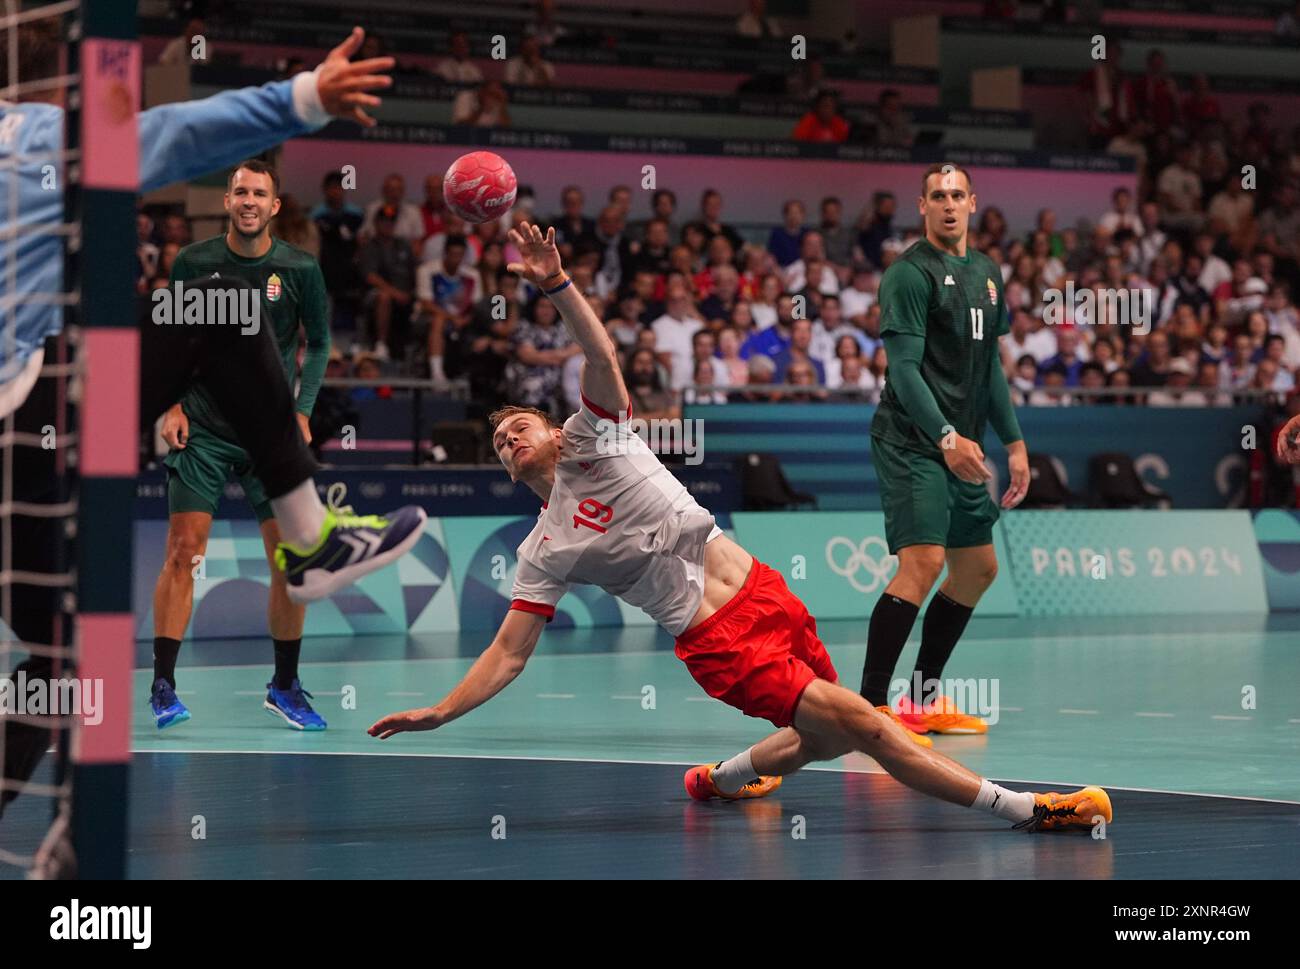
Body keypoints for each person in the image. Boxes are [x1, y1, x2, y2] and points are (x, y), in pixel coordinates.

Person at [368, 222, 1111, 834]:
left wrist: (558, 285)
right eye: (500, 442)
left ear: (555, 433)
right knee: (868, 723)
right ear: (504, 468)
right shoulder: (543, 547)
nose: (509, 439)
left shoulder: (594, 435)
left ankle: (720, 779)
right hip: (716, 638)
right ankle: (1028, 808)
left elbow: (599, 355)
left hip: (763, 589)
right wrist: (440, 710)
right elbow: (508, 653)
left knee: (818, 741)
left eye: (519, 426)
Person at [1, 24, 427, 818]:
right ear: (60, 81)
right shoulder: (37, 136)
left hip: (33, 411)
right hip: (26, 420)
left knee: (62, 651)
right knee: (223, 313)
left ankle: (310, 544)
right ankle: (311, 539)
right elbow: (176, 132)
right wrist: (303, 95)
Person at [149, 160, 331, 733]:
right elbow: (173, 341)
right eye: (240, 192)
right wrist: (170, 405)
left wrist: (302, 412)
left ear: (275, 206)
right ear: (227, 202)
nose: (249, 200)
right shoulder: (193, 262)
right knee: (184, 550)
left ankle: (284, 686)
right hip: (202, 428)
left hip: (270, 432)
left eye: (260, 192)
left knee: (292, 560)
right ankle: (163, 684)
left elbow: (320, 344)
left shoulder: (300, 269)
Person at [858, 163, 1029, 738]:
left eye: (958, 194)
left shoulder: (987, 271)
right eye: (938, 195)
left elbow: (991, 371)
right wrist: (946, 437)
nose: (949, 204)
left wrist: (1016, 442)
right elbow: (902, 371)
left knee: (978, 568)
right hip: (914, 441)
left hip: (964, 445)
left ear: (973, 203)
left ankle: (920, 701)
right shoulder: (909, 275)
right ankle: (870, 710)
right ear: (923, 206)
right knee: (924, 563)